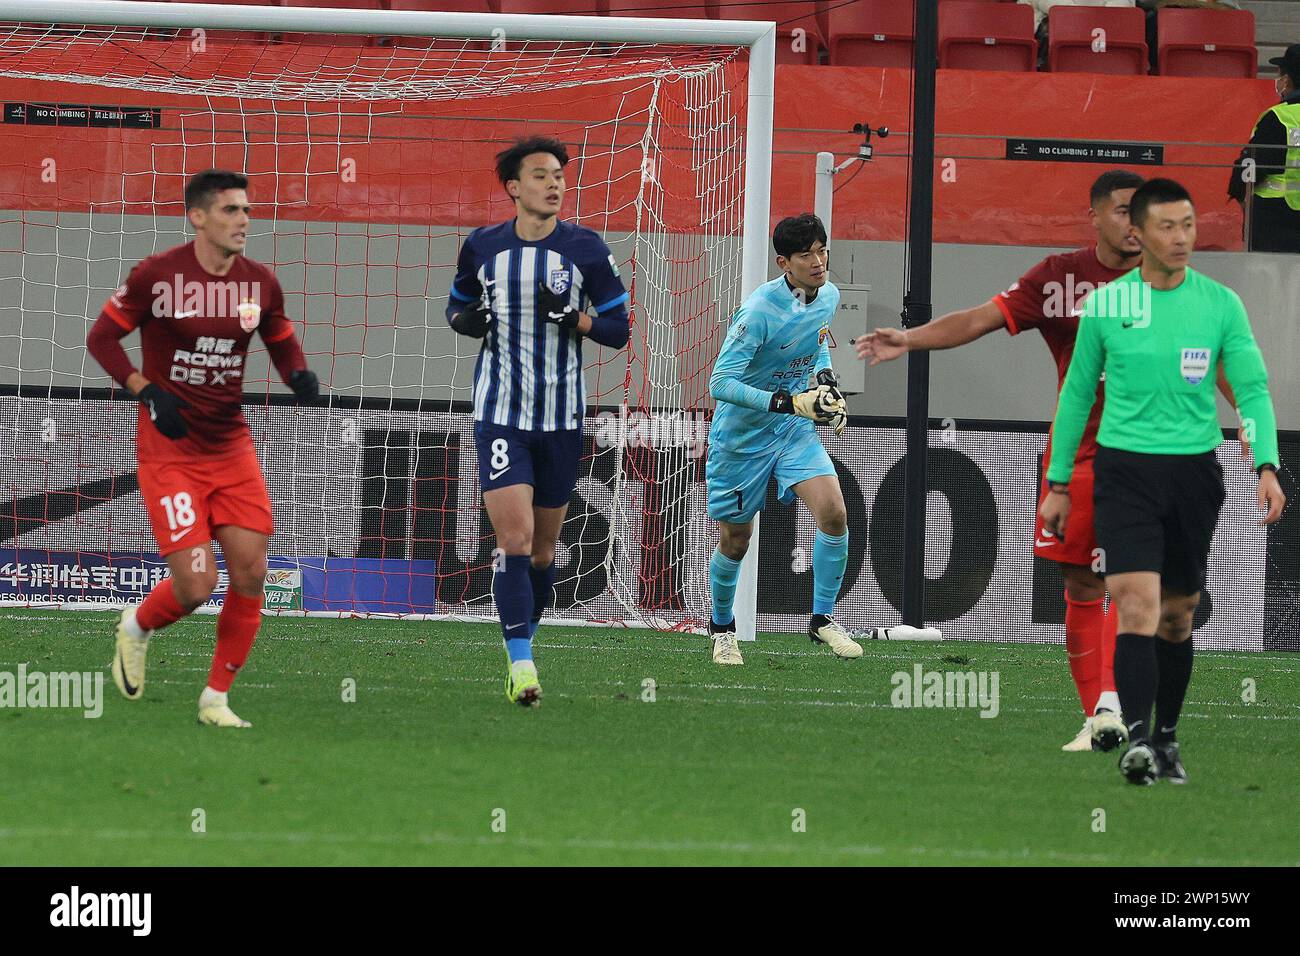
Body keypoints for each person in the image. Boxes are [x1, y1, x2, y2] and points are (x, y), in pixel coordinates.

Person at [858, 171, 1145, 751]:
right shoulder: (1060, 278)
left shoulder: (1170, 280)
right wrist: (910, 339)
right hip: (1083, 456)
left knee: (1140, 583)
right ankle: (1100, 719)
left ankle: (1122, 706)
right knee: (1083, 584)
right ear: (1094, 215)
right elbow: (980, 318)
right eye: (1122, 211)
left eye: (1143, 212)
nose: (1134, 224)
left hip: (1155, 457)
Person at [1041, 178, 1285, 786]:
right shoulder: (1108, 306)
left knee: (1177, 616)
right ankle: (1139, 739)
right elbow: (1075, 397)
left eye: (1189, 226)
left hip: (1193, 474)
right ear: (1139, 233)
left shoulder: (1219, 304)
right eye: (1168, 227)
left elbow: (1251, 389)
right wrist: (1059, 481)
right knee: (1135, 606)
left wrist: (1267, 463)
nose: (1181, 238)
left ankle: (1169, 737)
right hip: (1125, 472)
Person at [86, 169, 319, 729]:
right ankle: (136, 626)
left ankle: (215, 699)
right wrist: (146, 392)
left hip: (231, 447)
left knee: (250, 572)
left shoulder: (259, 282)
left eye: (246, 210)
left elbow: (280, 336)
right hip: (170, 450)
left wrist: (299, 375)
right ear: (198, 216)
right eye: (232, 210)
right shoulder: (157, 275)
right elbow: (101, 339)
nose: (244, 220)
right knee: (195, 585)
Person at [446, 136, 629, 706]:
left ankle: (524, 640)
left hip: (561, 418)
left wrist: (576, 319)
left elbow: (619, 331)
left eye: (559, 176)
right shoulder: (481, 246)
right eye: (542, 175)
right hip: (500, 414)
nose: (555, 184)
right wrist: (469, 320)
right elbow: (456, 308)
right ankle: (521, 665)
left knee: (546, 552)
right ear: (513, 187)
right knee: (516, 539)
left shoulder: (587, 249)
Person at [705, 213, 860, 666]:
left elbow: (818, 343)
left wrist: (826, 382)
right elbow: (720, 383)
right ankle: (721, 628)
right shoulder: (757, 312)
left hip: (792, 431)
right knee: (736, 541)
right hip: (742, 439)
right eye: (806, 254)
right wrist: (789, 402)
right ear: (783, 262)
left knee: (833, 513)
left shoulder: (828, 294)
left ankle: (822, 620)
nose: (818, 261)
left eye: (822, 250)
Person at [1228, 42, 1300, 253]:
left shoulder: (1279, 117)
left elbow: (1251, 166)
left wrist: (1238, 193)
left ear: (1287, 80)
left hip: (1275, 222)